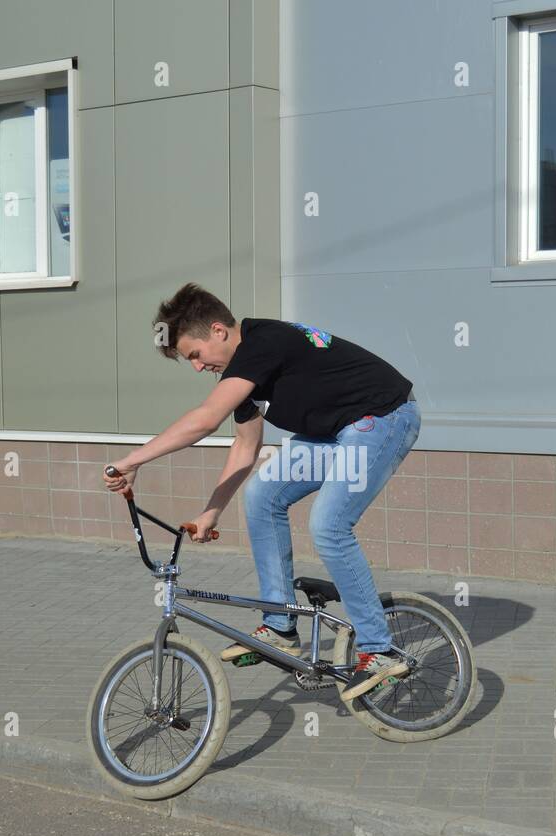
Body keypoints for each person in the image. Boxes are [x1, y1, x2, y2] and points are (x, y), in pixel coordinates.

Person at [103, 283, 421, 701]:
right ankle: (280, 625)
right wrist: (212, 510)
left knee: (328, 525)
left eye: (195, 355)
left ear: (218, 330)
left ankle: (378, 649)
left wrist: (134, 459)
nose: (197, 368)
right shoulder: (245, 374)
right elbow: (245, 447)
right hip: (334, 433)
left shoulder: (263, 342)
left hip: (382, 419)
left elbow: (205, 420)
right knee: (262, 496)